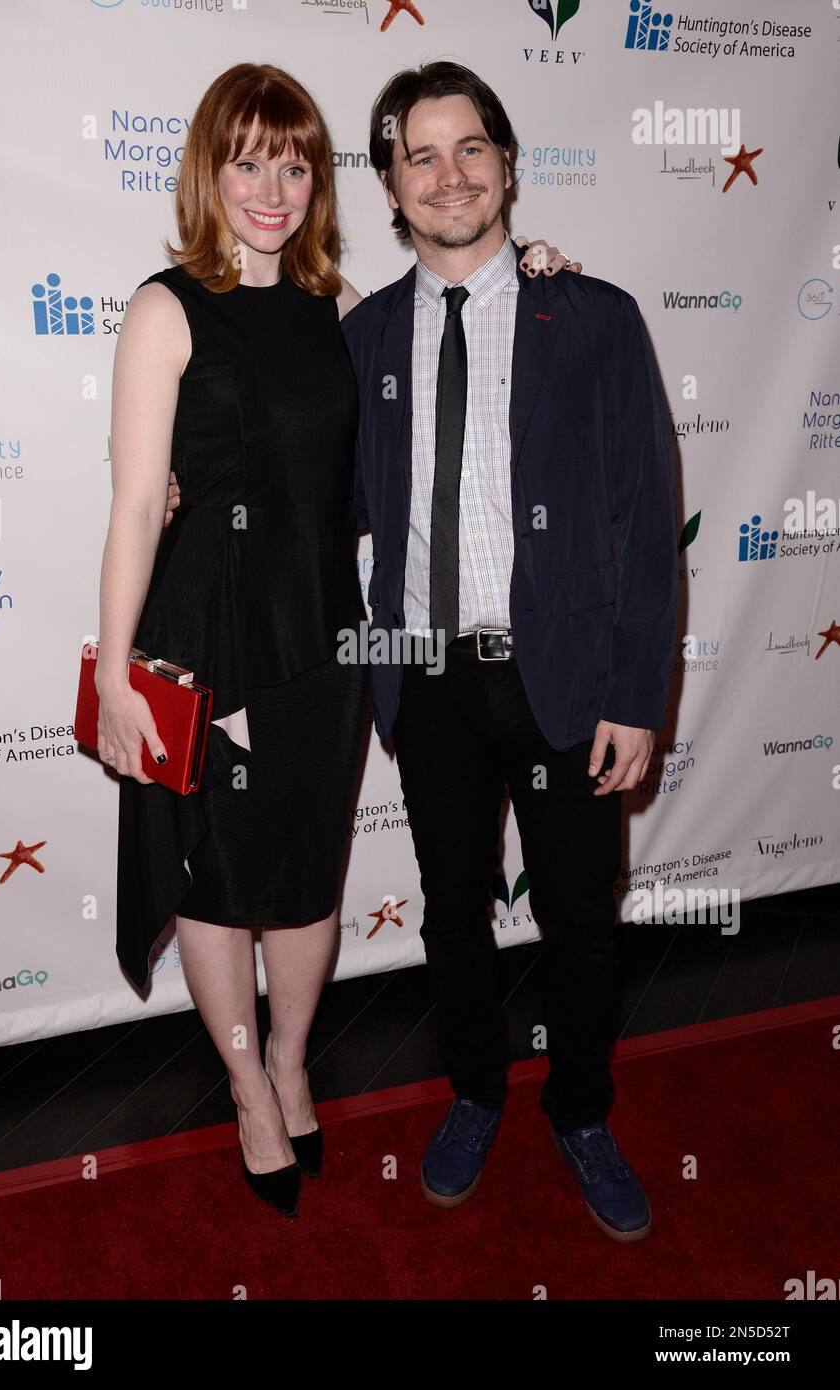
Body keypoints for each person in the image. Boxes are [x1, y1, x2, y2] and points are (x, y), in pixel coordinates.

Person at [97, 61, 577, 1222]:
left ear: (320, 179)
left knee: (306, 881)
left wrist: (541, 274)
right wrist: (115, 673)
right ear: (209, 170)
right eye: (249, 159)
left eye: (295, 161)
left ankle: (295, 1059)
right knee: (216, 886)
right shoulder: (165, 307)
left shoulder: (345, 314)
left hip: (324, 639)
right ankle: (246, 1084)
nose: (273, 185)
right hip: (205, 641)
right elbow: (130, 508)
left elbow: (405, 444)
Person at [340, 62, 678, 1242]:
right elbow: (308, 496)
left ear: (507, 161)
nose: (448, 174)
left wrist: (636, 692)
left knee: (581, 914)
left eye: (469, 147)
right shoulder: (361, 336)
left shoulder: (590, 318)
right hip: (426, 679)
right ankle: (476, 1091)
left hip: (567, 681)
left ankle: (580, 1110)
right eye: (419, 154)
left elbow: (643, 519)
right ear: (389, 181)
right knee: (449, 910)